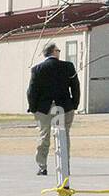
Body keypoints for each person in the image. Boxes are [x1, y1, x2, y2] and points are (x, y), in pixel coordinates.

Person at [27, 42, 80, 177]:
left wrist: (33, 108)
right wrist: (74, 104)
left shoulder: (37, 69)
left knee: (44, 136)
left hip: (44, 108)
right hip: (64, 106)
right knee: (63, 136)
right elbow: (75, 86)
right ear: (54, 52)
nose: (59, 52)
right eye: (58, 50)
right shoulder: (68, 66)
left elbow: (32, 91)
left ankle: (42, 166)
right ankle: (64, 166)